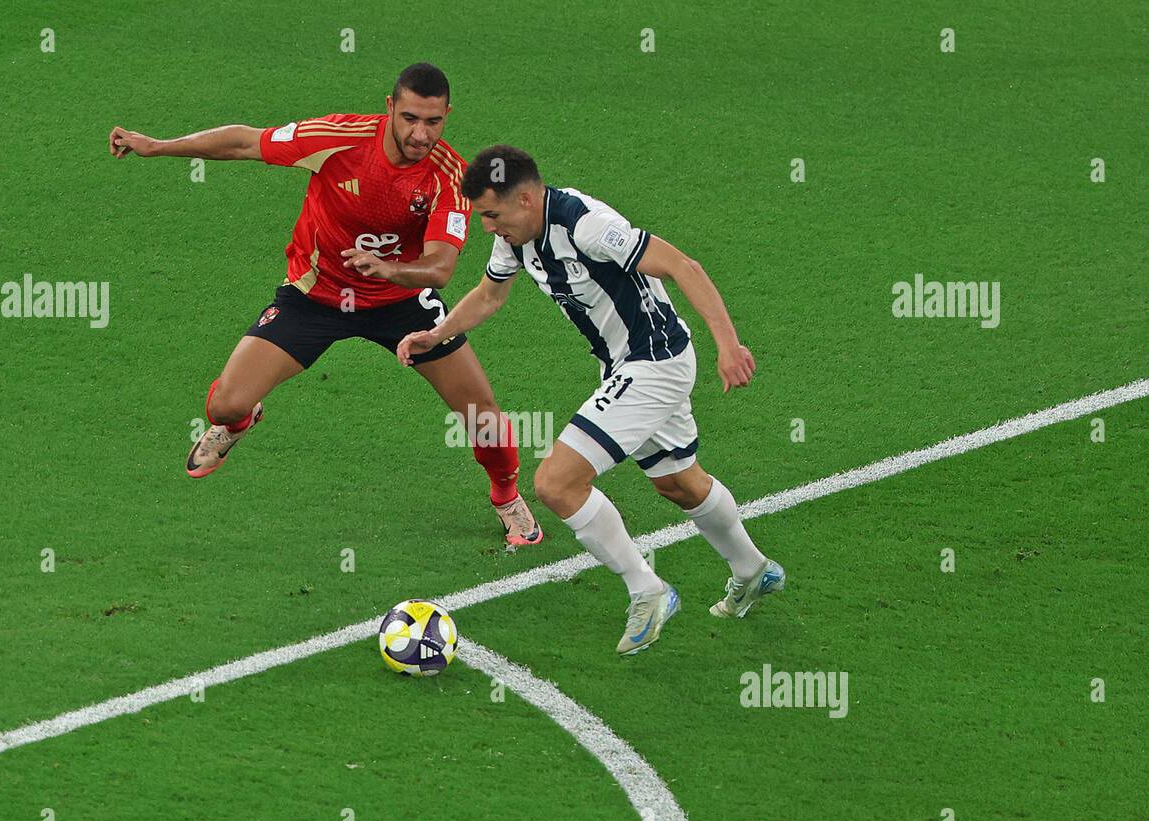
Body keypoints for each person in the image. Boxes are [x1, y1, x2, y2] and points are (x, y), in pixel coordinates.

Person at [107, 64, 542, 546]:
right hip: (315, 296)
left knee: (482, 414)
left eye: (434, 122)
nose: (421, 134)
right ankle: (239, 421)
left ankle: (506, 495)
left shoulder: (448, 175)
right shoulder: (338, 137)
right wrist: (158, 145)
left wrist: (388, 269)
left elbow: (439, 268)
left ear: (447, 116)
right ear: (390, 106)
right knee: (224, 403)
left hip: (403, 304)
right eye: (411, 118)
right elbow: (246, 142)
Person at [397, 145, 784, 654]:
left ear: (528, 199)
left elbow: (683, 266)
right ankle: (753, 569)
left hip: (655, 364)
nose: (487, 227)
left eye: (492, 215)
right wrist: (438, 333)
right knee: (678, 484)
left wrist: (729, 345)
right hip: (626, 366)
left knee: (556, 484)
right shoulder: (516, 240)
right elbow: (489, 295)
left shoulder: (587, 226)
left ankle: (648, 590)